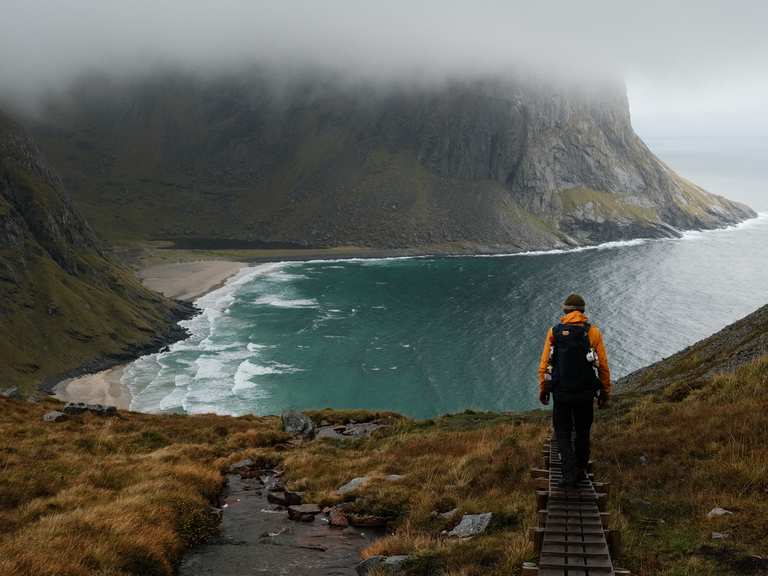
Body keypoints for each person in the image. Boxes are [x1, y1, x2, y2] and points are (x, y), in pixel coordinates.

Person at [537, 293, 611, 487]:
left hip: (561, 393)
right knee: (583, 431)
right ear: (583, 311)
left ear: (565, 311)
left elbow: (544, 365)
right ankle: (580, 470)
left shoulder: (554, 332)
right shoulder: (593, 332)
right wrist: (605, 392)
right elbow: (602, 365)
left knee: (562, 432)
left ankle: (568, 473)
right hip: (586, 393)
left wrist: (544, 389)